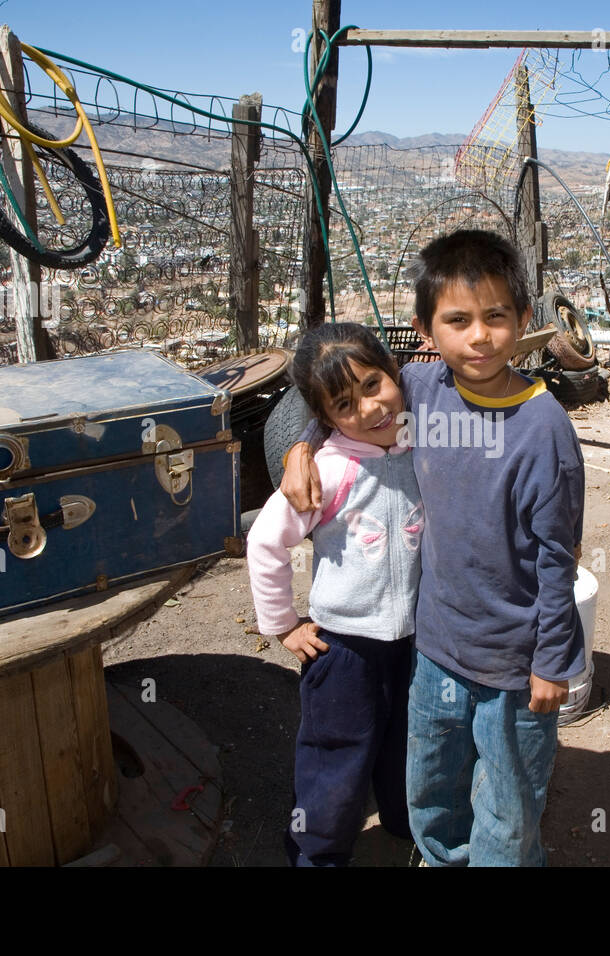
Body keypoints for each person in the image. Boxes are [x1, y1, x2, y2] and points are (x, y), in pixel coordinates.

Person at [281, 229, 585, 866]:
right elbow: (329, 392)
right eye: (458, 320)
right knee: (432, 789)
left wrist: (553, 660)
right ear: (425, 332)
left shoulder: (543, 429)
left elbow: (559, 557)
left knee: (508, 803)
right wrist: (300, 445)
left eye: (496, 316)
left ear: (524, 320)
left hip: (512, 662)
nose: (479, 336)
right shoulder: (421, 390)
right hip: (436, 649)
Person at [247, 321, 422, 867]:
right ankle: (316, 852)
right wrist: (284, 623)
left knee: (407, 741)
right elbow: (264, 542)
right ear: (326, 418)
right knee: (335, 755)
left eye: (374, 385)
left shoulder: (422, 446)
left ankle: (404, 821)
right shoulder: (327, 469)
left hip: (416, 638)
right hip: (343, 646)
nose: (370, 409)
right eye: (346, 404)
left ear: (394, 373)